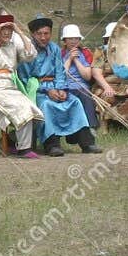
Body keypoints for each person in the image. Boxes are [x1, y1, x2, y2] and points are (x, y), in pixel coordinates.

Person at [19, 16, 97, 156]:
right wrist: (47, 90)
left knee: (75, 102)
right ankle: (51, 145)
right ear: (33, 34)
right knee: (47, 106)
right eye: (39, 34)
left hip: (56, 85)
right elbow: (25, 78)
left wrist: (62, 89)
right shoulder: (27, 51)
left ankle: (87, 143)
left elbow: (60, 71)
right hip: (37, 89)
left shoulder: (54, 48)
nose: (43, 37)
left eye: (46, 33)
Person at [0, 14, 43, 158]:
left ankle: (14, 143)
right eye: (3, 30)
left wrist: (20, 32)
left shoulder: (13, 44)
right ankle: (24, 149)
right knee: (19, 107)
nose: (6, 33)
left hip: (9, 88)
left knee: (31, 107)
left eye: (9, 30)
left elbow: (30, 54)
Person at [59, 23, 127, 142]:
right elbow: (60, 74)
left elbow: (87, 76)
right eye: (70, 39)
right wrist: (69, 59)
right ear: (64, 41)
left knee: (86, 96)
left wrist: (76, 60)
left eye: (76, 39)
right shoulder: (60, 54)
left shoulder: (84, 54)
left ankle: (91, 127)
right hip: (64, 86)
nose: (74, 41)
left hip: (81, 87)